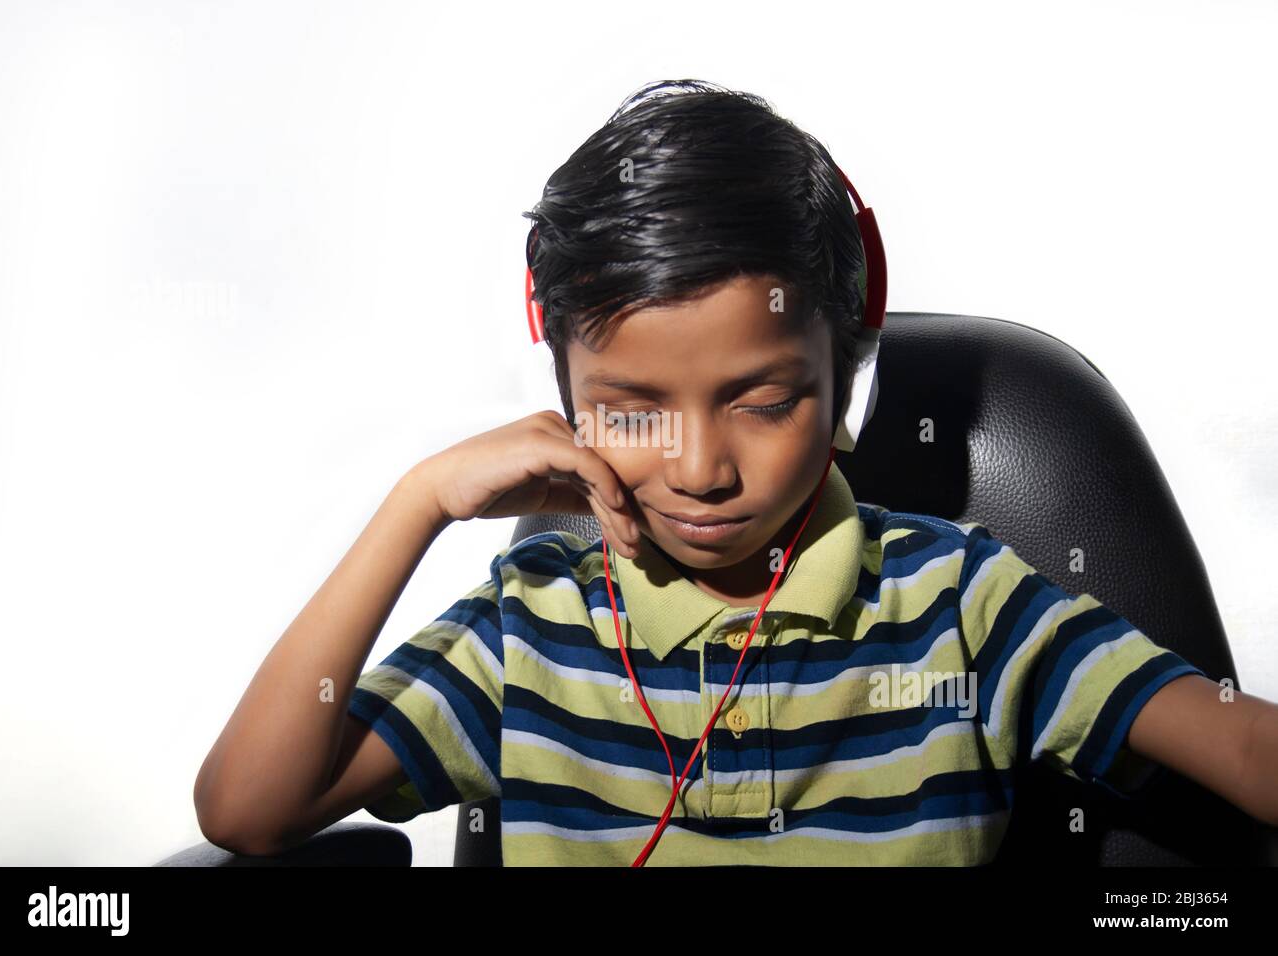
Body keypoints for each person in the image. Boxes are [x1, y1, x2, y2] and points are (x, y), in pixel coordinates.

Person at [193, 79, 1278, 865]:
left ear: (844, 360)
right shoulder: (529, 634)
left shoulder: (961, 606)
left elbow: (1237, 741)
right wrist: (417, 500)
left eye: (762, 402)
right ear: (563, 388)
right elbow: (246, 807)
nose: (702, 468)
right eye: (629, 409)